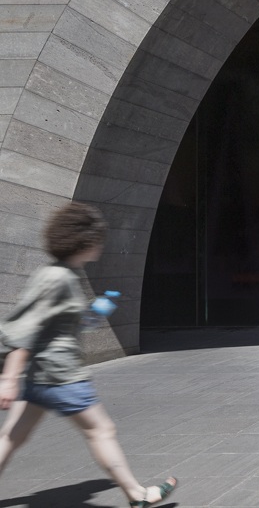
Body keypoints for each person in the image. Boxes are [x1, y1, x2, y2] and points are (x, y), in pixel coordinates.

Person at [0, 203, 178, 508]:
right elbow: (25, 329)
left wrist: (89, 317)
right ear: (84, 241)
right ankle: (137, 495)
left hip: (40, 375)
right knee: (101, 430)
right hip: (60, 375)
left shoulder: (60, 273)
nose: (101, 245)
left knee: (13, 436)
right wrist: (9, 378)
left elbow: (55, 322)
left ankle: (136, 494)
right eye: (99, 239)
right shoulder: (58, 278)